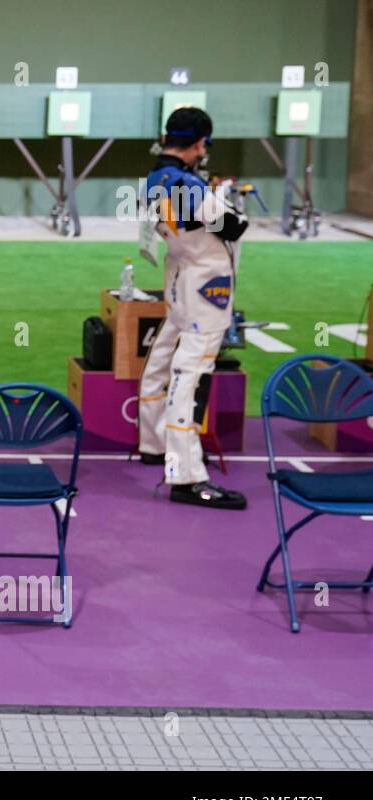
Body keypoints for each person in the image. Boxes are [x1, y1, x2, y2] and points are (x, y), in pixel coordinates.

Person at [137, 106, 248, 509]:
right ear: (200, 144)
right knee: (190, 375)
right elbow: (233, 225)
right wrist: (225, 202)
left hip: (181, 280)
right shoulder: (187, 185)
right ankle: (185, 474)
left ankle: (153, 443)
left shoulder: (155, 178)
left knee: (162, 362)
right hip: (205, 288)